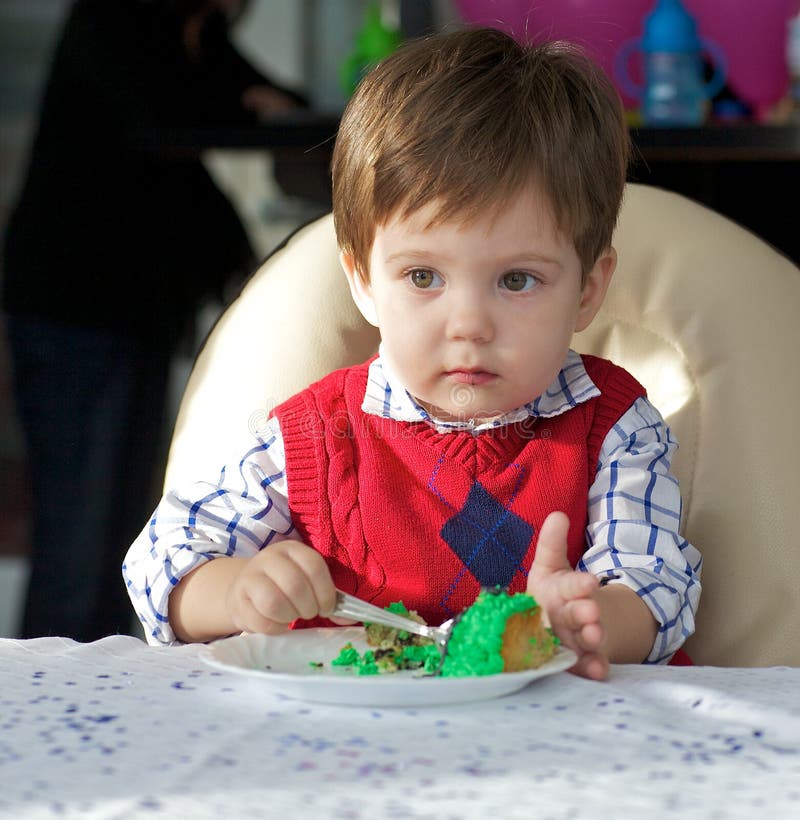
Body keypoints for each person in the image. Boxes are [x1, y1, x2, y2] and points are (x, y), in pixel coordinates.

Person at [123, 27, 702, 680]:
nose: (468, 326)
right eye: (423, 277)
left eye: (517, 280)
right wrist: (238, 589)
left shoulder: (616, 426)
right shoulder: (317, 439)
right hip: (359, 750)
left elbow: (655, 585)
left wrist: (583, 623)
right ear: (364, 283)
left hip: (555, 749)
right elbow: (161, 560)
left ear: (587, 290)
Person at [2, 0, 307, 641]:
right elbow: (160, 118)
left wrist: (257, 98)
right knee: (79, 530)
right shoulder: (113, 18)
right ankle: (50, 696)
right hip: (73, 305)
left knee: (118, 524)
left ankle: (106, 692)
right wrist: (244, 102)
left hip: (137, 307)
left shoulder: (196, 32)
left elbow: (285, 99)